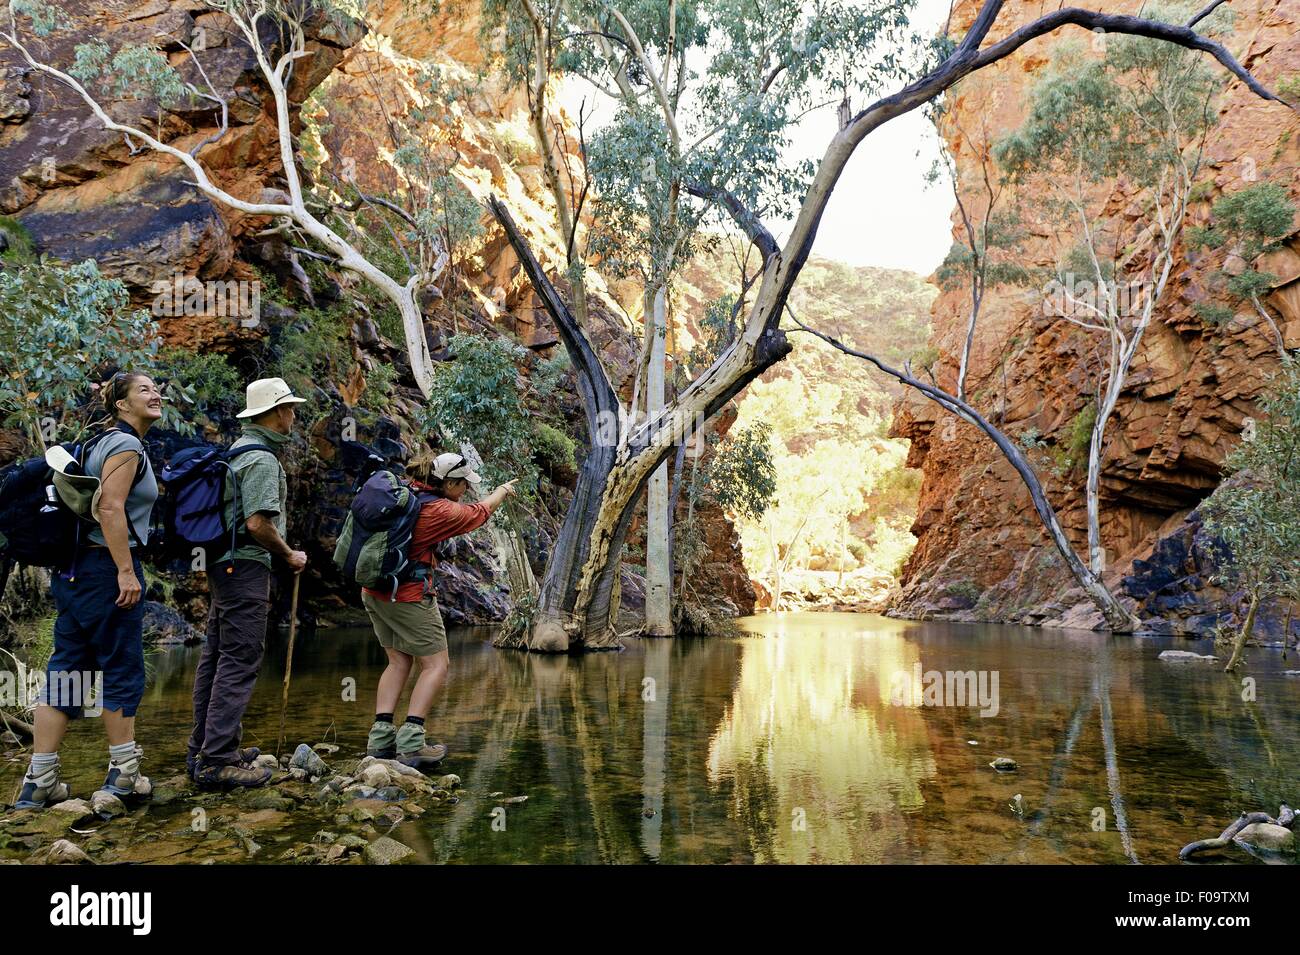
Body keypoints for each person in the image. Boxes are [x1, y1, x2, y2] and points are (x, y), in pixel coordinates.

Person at [17, 372, 162, 809]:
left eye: (156, 389)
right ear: (121, 404)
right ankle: (123, 775)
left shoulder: (95, 443)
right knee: (120, 667)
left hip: (73, 574)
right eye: (144, 390)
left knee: (67, 670)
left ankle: (39, 780)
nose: (155, 394)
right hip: (104, 568)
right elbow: (109, 506)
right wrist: (125, 571)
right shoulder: (125, 446)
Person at [187, 377, 308, 790]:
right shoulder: (261, 460)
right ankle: (217, 760)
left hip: (226, 566)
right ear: (275, 413)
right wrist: (289, 554)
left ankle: (205, 747)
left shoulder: (238, 450)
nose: (293, 415)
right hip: (246, 568)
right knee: (240, 658)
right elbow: (258, 523)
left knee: (216, 655)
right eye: (290, 408)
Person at [364, 451, 516, 768]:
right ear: (449, 484)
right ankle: (412, 744)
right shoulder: (440, 510)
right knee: (436, 666)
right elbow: (480, 512)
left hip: (374, 591)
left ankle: (380, 741)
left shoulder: (404, 494)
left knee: (397, 662)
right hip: (407, 595)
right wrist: (502, 490)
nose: (465, 491)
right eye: (463, 485)